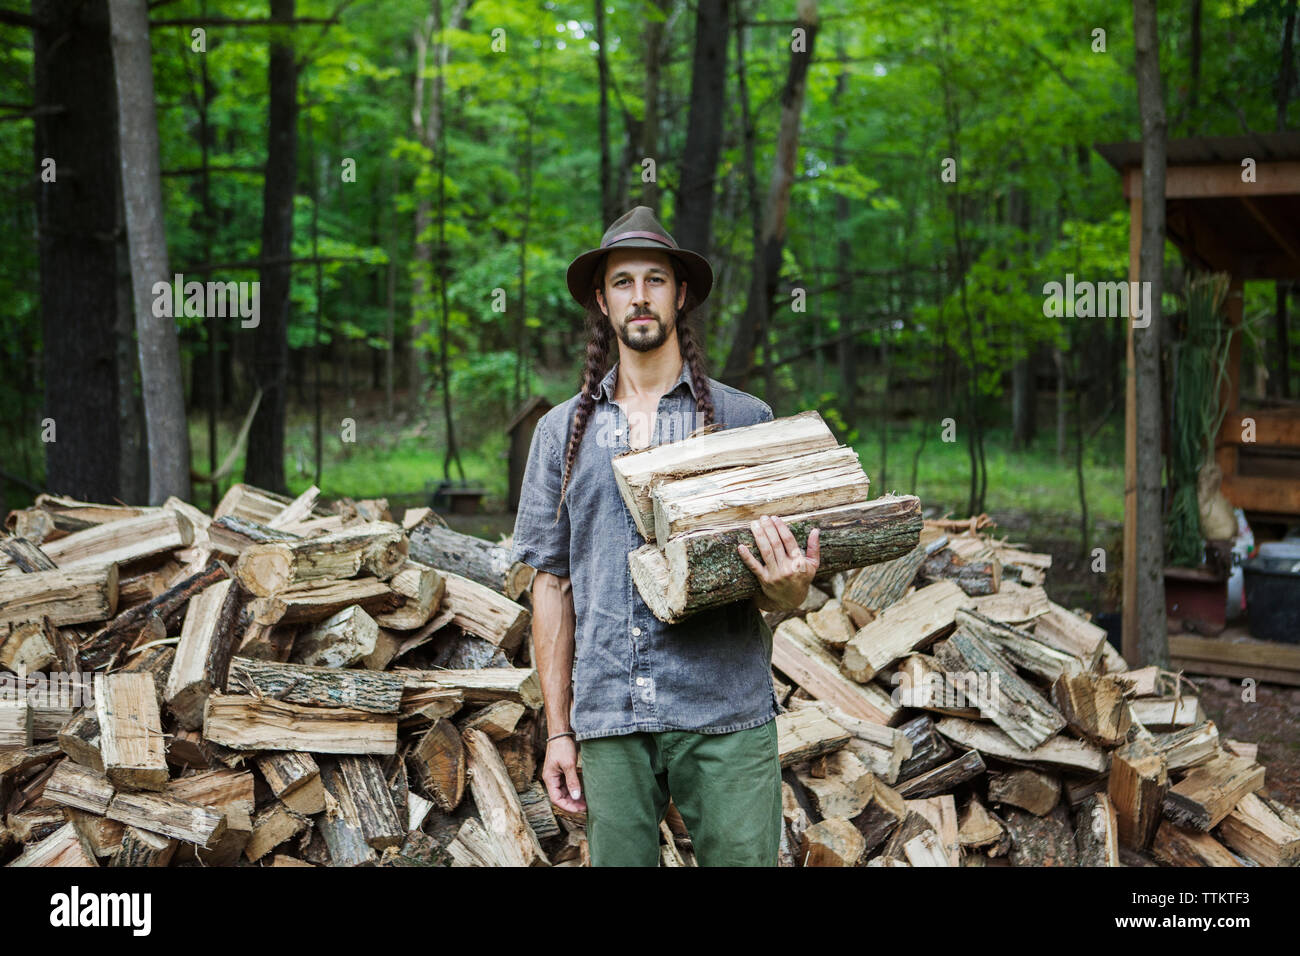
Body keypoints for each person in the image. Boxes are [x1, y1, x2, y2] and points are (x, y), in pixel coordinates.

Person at [509, 205, 821, 866]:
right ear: (602, 300)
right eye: (623, 282)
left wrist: (791, 592)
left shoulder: (743, 419)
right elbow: (552, 585)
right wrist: (559, 730)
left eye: (656, 279)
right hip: (609, 718)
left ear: (680, 295)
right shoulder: (560, 434)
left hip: (725, 713)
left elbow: (777, 587)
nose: (640, 296)